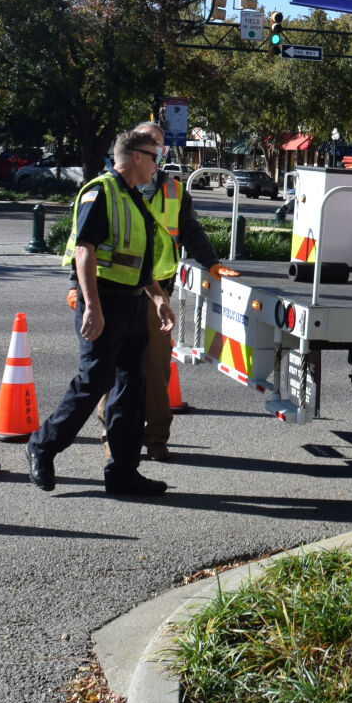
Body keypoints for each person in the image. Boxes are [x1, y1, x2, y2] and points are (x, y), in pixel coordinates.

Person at [27, 129, 177, 498]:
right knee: (95, 380)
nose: (157, 167)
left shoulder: (134, 199)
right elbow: (84, 251)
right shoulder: (101, 191)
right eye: (155, 158)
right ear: (138, 156)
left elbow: (138, 261)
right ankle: (42, 446)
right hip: (103, 300)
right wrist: (92, 306)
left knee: (132, 386)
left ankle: (123, 471)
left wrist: (157, 298)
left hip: (132, 302)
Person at [124, 123, 239, 464]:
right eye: (148, 145)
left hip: (157, 292)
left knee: (157, 371)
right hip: (116, 290)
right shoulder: (113, 186)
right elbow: (82, 243)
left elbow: (190, 230)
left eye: (159, 145)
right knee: (114, 371)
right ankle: (115, 441)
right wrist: (76, 288)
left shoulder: (174, 191)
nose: (155, 152)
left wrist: (213, 263)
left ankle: (156, 439)